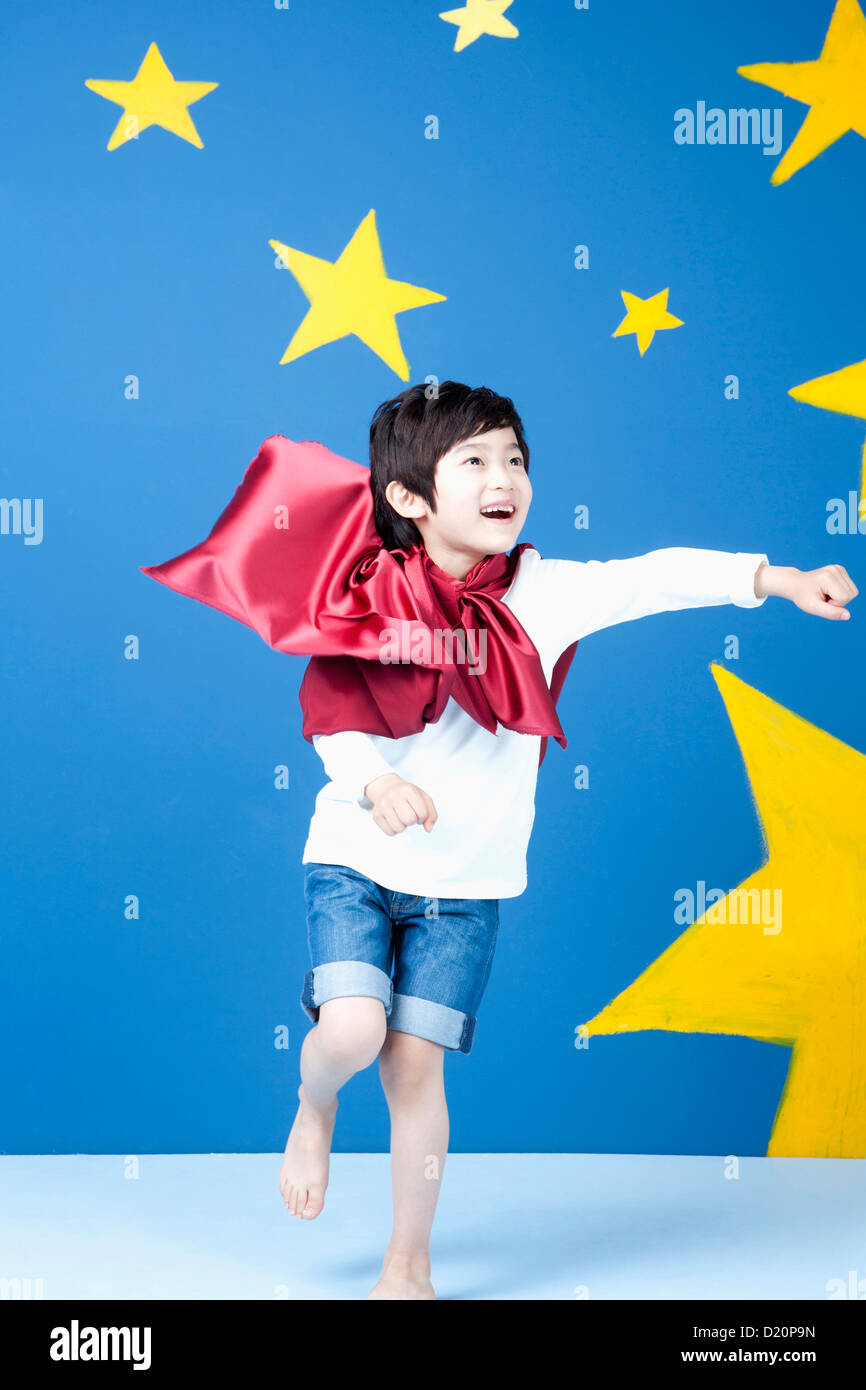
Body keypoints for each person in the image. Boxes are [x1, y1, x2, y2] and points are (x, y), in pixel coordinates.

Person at [275, 381, 857, 1299]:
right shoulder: (369, 595)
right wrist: (375, 781)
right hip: (356, 860)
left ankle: (407, 1266)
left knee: (416, 1066)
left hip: (468, 885)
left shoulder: (547, 594)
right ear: (410, 499)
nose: (504, 477)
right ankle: (312, 1111)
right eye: (473, 462)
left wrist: (775, 579)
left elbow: (654, 577)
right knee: (350, 1032)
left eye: (514, 459)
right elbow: (335, 713)